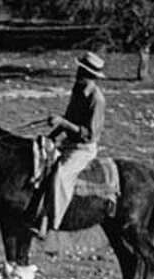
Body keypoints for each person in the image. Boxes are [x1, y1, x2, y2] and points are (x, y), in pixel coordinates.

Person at [30, 51, 106, 238]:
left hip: (83, 149)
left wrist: (62, 124)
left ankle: (53, 223)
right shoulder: (78, 90)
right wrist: (52, 136)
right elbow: (69, 118)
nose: (78, 73)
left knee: (61, 174)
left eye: (82, 70)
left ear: (89, 75)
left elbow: (89, 134)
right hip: (69, 142)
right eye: (80, 69)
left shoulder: (96, 99)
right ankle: (35, 212)